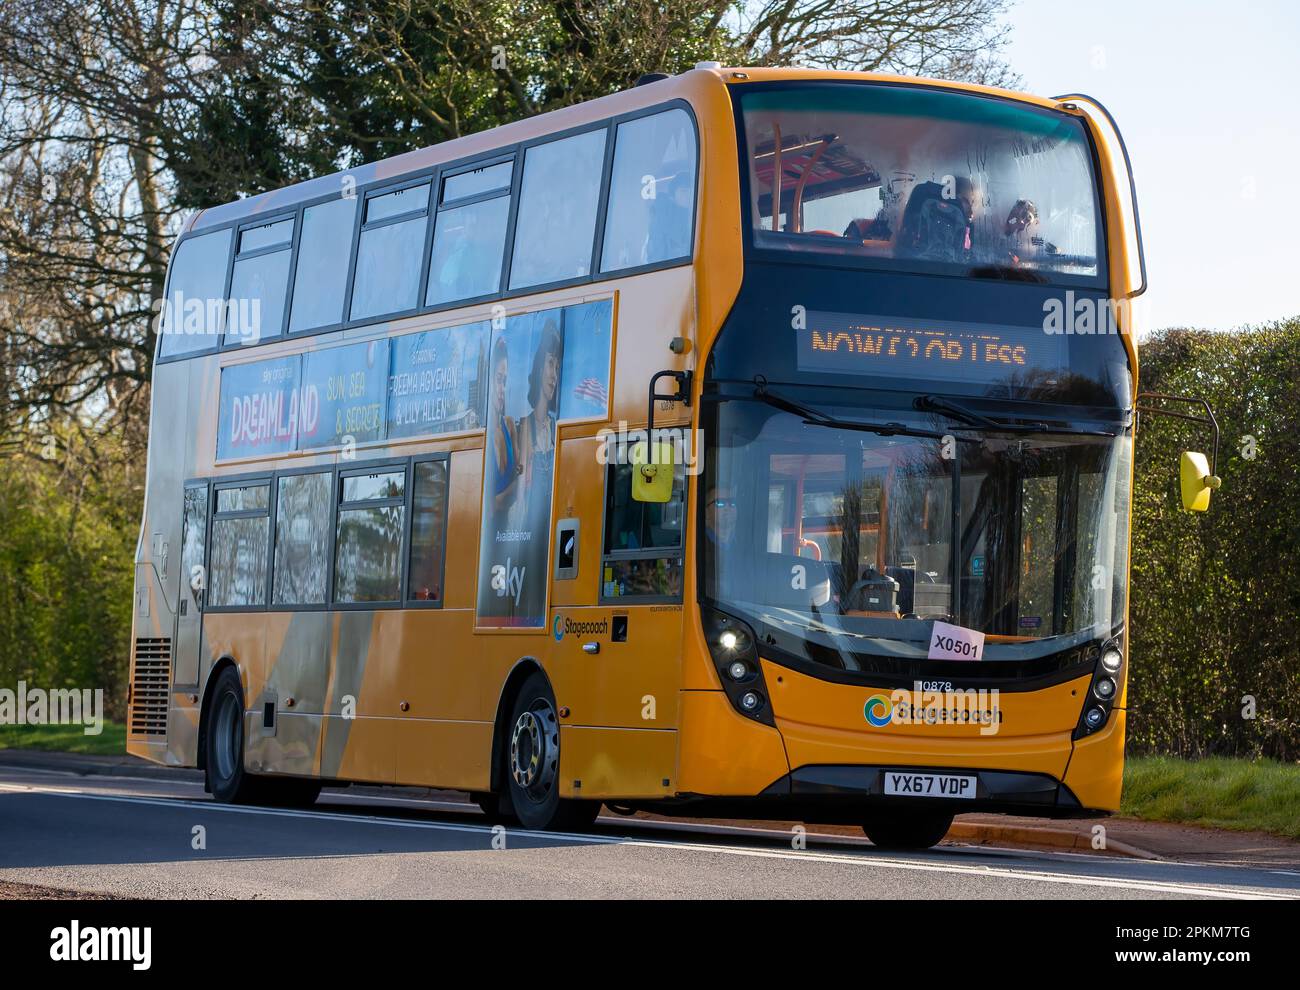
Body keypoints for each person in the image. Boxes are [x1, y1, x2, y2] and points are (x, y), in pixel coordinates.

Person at [487, 337, 520, 517]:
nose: (502, 389)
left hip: (509, 537)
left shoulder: (509, 426)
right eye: (499, 380)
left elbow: (521, 479)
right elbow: (489, 507)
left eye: (505, 381)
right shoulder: (481, 437)